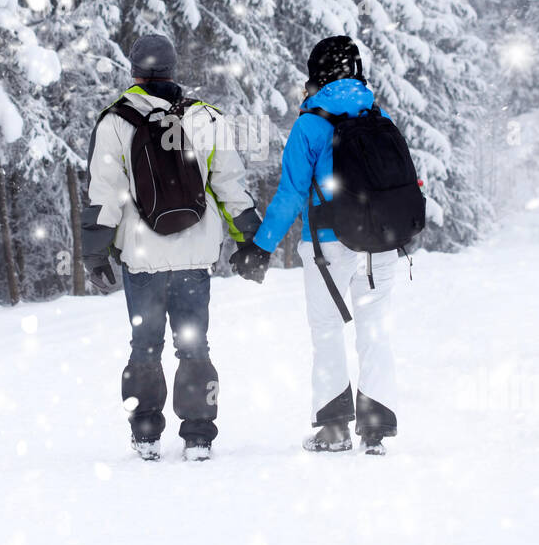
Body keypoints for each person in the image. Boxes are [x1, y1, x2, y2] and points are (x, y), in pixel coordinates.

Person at [81, 34, 260, 462]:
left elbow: (105, 194)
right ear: (174, 69)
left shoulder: (114, 122)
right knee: (194, 345)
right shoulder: (207, 119)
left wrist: (94, 252)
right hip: (194, 254)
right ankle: (198, 433)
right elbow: (229, 186)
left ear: (134, 71)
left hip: (142, 257)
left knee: (144, 344)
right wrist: (249, 239)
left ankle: (145, 432)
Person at [229, 36, 402, 456]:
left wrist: (261, 247)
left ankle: (334, 428)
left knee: (327, 331)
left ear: (317, 74)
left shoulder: (310, 123)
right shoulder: (378, 116)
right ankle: (376, 427)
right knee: (373, 329)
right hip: (379, 245)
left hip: (328, 246)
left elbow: (290, 194)